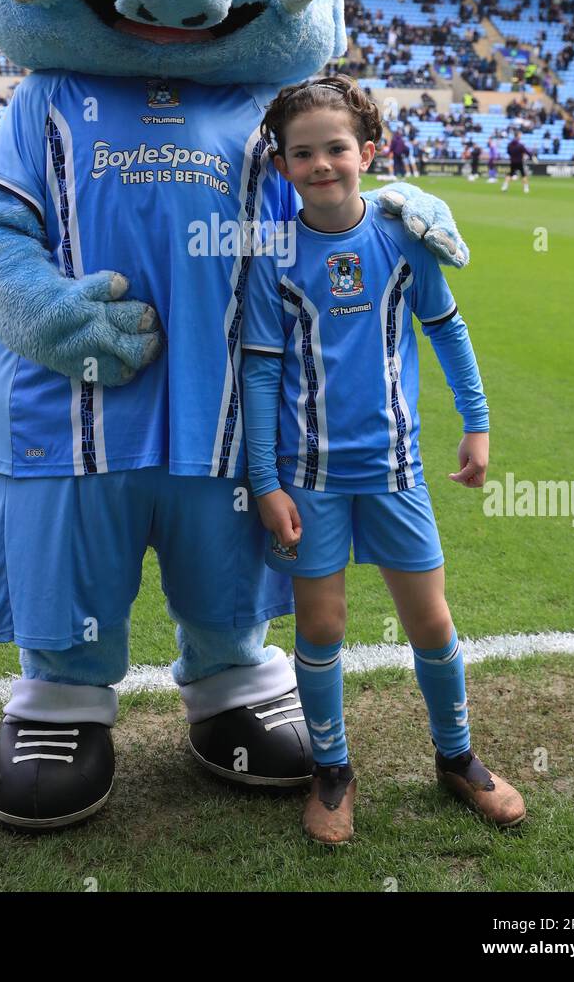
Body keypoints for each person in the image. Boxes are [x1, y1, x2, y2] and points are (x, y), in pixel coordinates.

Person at [241, 74, 526, 844]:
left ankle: (457, 758)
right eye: (303, 153)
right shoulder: (273, 256)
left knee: (430, 621)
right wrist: (266, 483)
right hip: (310, 478)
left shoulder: (404, 239)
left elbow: (447, 329)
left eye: (336, 148)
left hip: (395, 470)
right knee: (321, 624)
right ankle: (332, 771)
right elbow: (260, 373)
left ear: (369, 152)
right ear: (282, 165)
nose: (321, 164)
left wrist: (477, 424)